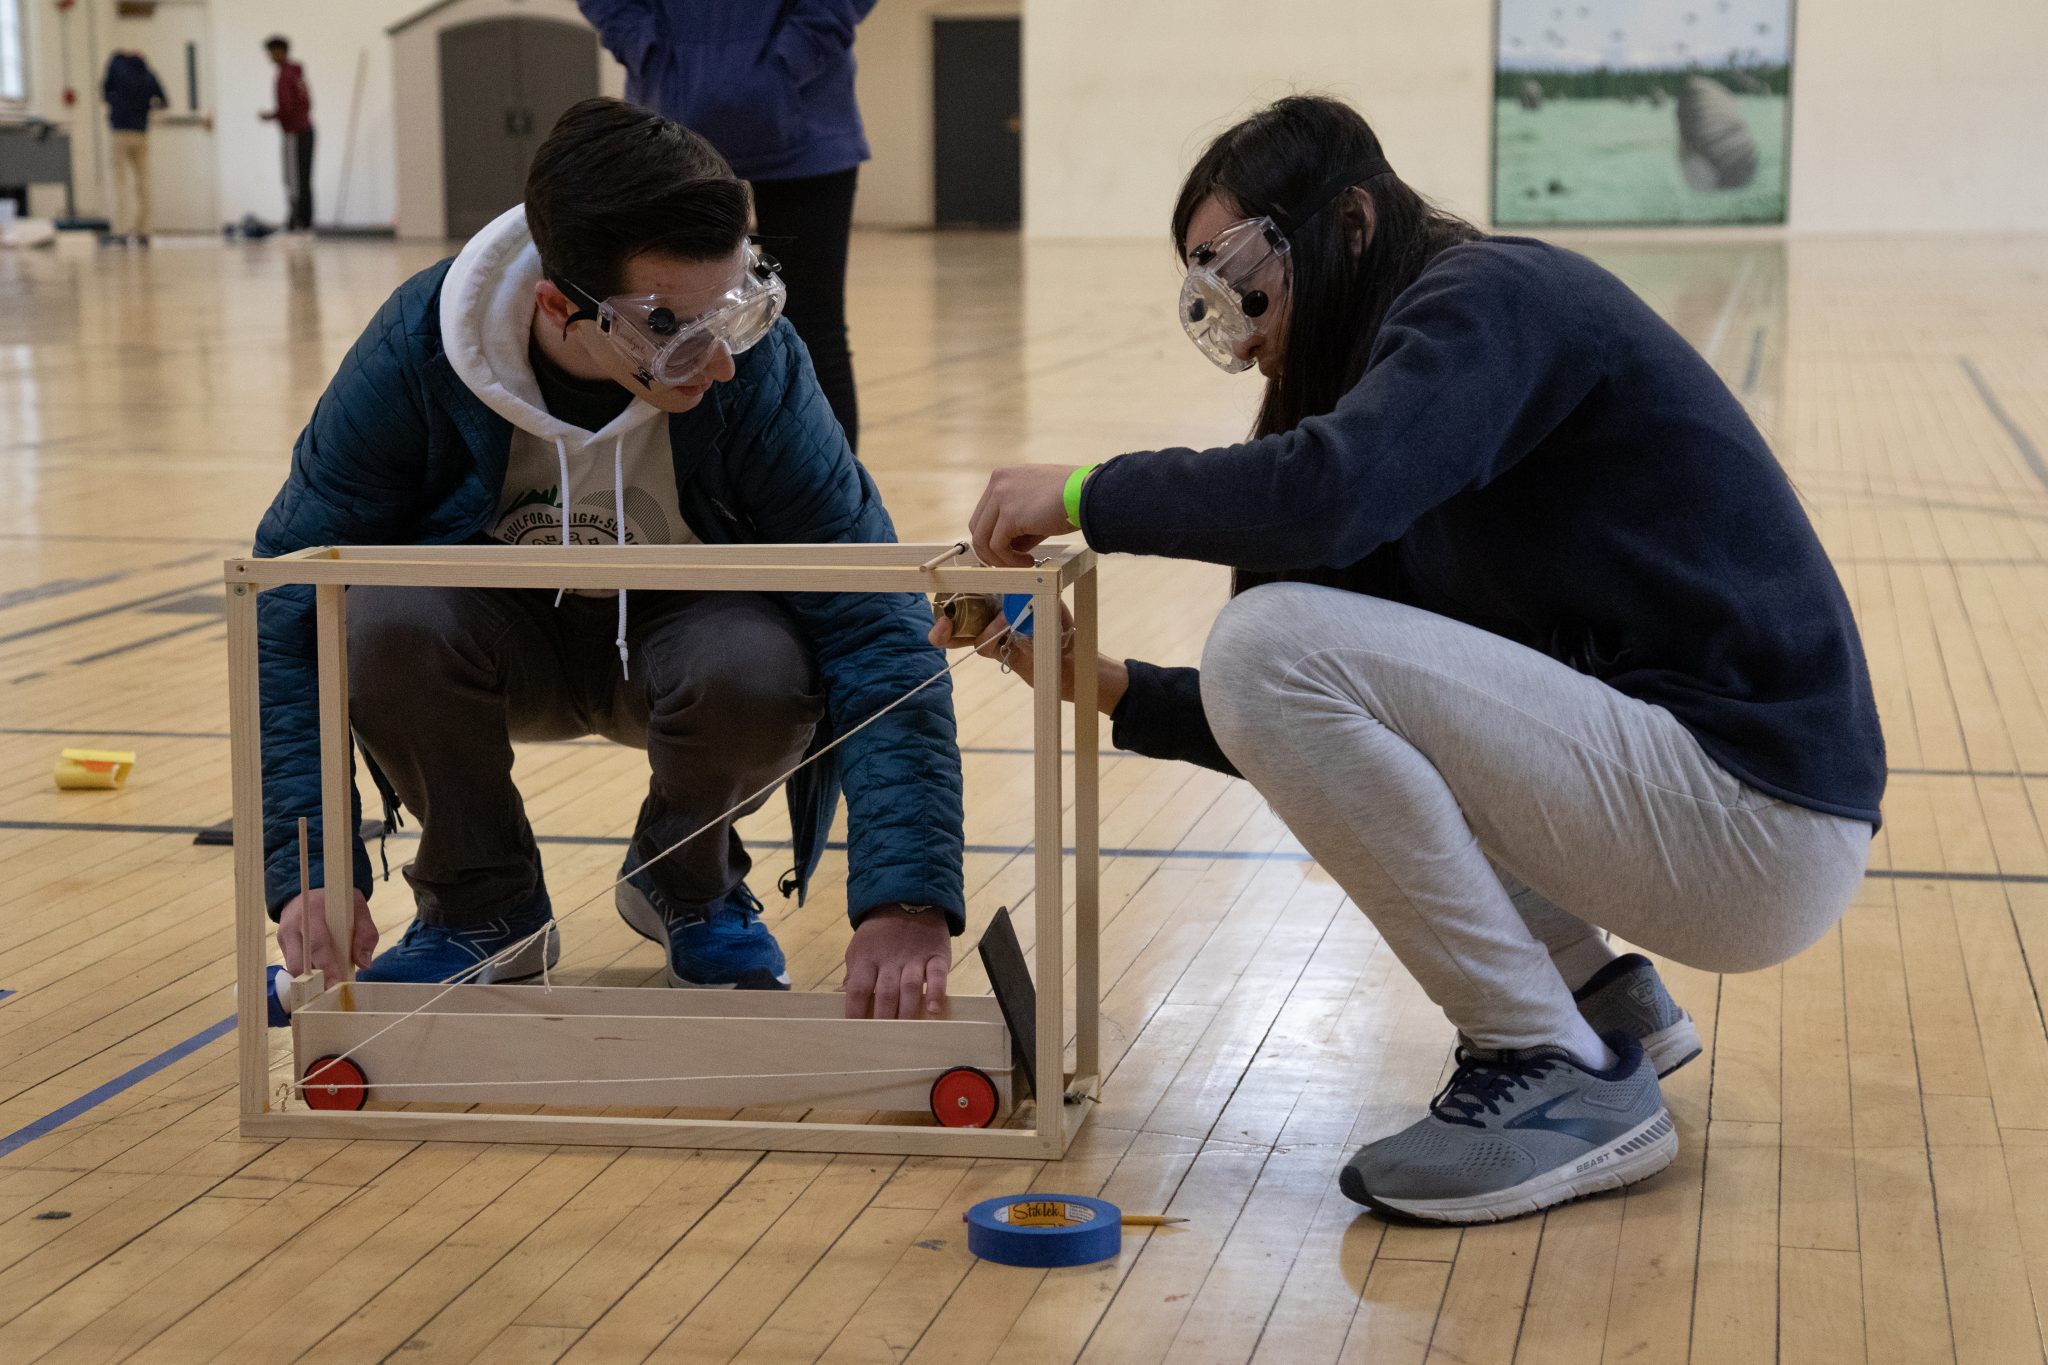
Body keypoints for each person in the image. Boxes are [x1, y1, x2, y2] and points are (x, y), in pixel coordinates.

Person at [945, 95, 1884, 1223]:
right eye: (1208, 296)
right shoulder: (1394, 407)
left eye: (1245, 279)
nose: (1239, 332)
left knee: (1268, 638)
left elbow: (1320, 511)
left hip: (1752, 815)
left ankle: (1548, 1065)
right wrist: (1081, 678)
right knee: (1276, 649)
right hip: (1705, 812)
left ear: (1347, 225)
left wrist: (1087, 491)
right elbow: (1297, 726)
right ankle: (1594, 1001)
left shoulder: (1491, 301)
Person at [256, 99, 963, 1022]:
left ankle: (690, 880)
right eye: (673, 331)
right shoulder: (417, 352)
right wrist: (310, 868)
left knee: (763, 664)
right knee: (375, 612)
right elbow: (286, 598)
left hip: (690, 642)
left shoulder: (760, 373)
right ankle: (481, 904)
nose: (719, 366)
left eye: (738, 309)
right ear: (560, 304)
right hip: (486, 642)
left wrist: (906, 897)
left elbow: (875, 614)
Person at [578, 1, 875, 452]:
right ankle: (689, 495)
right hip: (670, 123)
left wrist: (789, 60)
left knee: (817, 329)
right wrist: (649, 50)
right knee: (662, 328)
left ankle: (834, 499)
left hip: (807, 123)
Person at [101, 49, 167, 246]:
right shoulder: (146, 73)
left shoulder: (114, 68)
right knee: (144, 182)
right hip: (141, 132)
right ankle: (144, 230)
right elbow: (163, 100)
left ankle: (120, 231)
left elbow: (104, 93)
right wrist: (144, 108)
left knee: (118, 183)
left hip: (119, 132)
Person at [259, 35, 314, 231]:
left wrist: (271, 116)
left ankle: (297, 222)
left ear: (279, 51)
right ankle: (303, 221)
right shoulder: (296, 73)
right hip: (305, 129)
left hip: (295, 132)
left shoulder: (285, 75)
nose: (269, 56)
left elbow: (288, 107)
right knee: (302, 178)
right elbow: (307, 102)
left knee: (293, 178)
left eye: (271, 52)